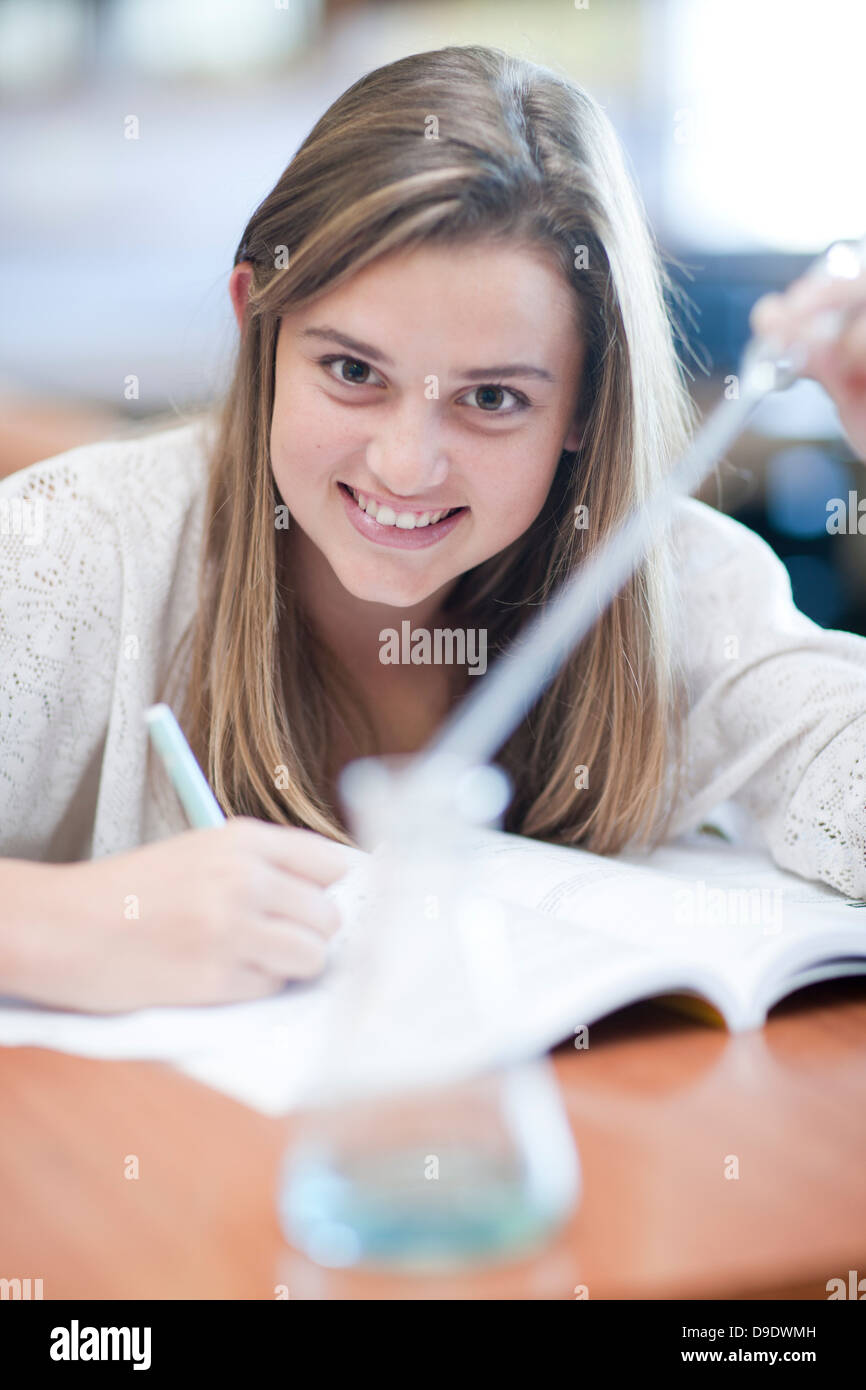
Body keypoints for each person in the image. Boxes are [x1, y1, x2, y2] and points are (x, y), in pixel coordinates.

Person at [1, 46, 865, 1014]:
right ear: (259, 326)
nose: (405, 465)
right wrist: (57, 923)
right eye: (353, 372)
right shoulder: (73, 551)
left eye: (491, 397)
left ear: (583, 403)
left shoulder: (671, 589)